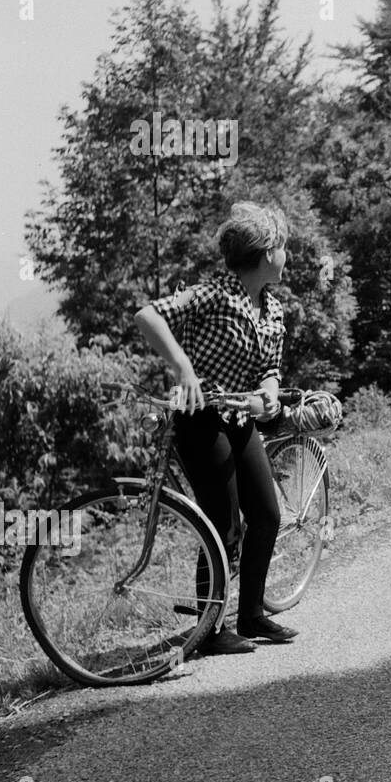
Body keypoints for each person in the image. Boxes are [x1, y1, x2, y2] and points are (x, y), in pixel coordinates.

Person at [134, 202, 295, 654]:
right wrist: (183, 368)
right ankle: (210, 628)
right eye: (283, 248)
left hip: (240, 419)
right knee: (222, 526)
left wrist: (268, 391)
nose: (287, 257)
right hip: (201, 420)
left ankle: (252, 615)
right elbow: (148, 316)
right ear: (266, 253)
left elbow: (269, 368)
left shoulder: (272, 308)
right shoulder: (210, 294)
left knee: (266, 515)